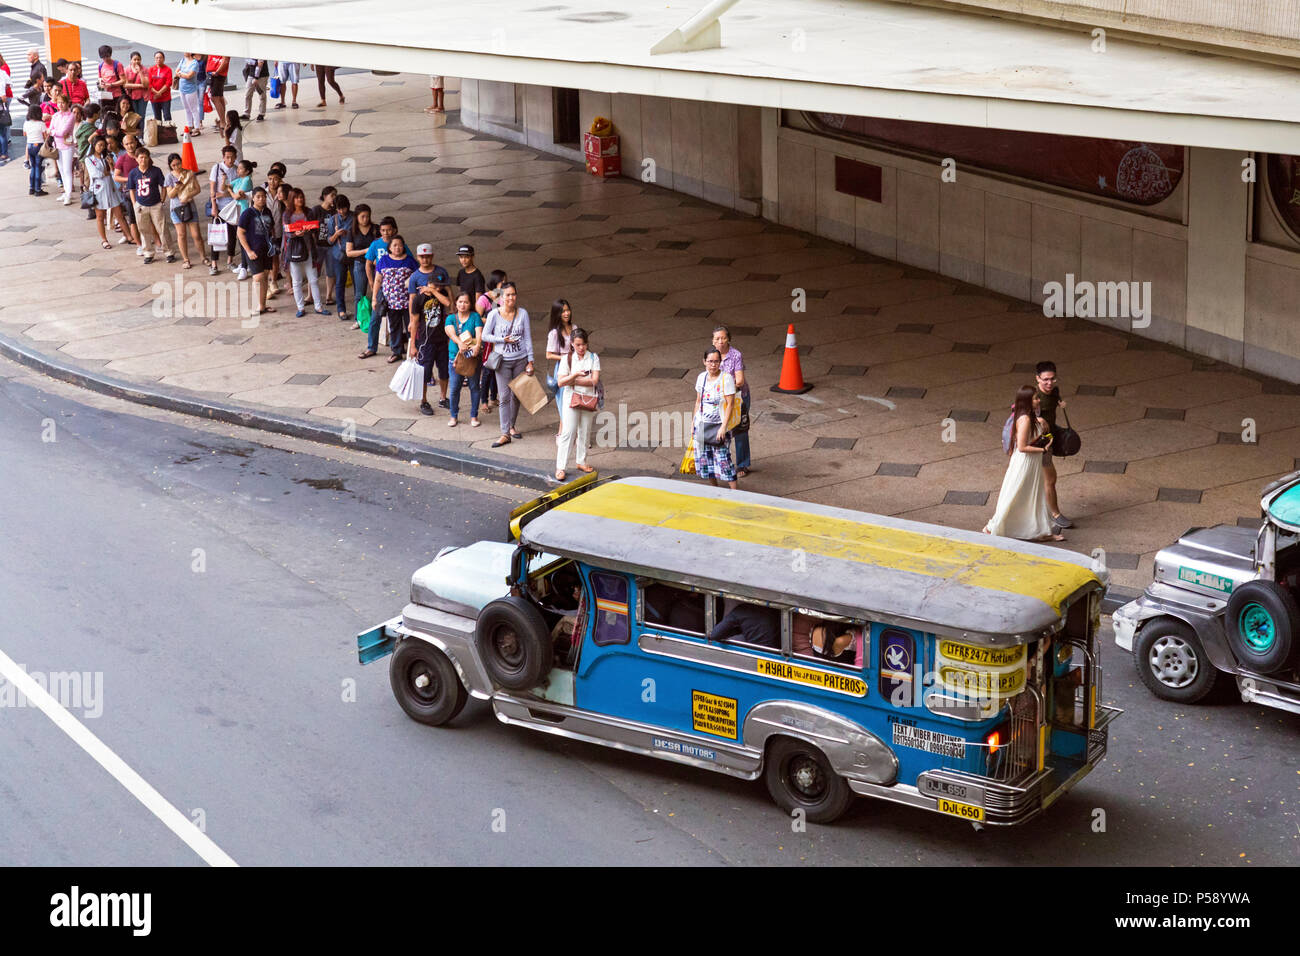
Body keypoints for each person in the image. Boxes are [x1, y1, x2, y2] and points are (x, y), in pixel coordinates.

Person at [983, 385, 1064, 542]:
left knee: (1032, 496)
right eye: (1035, 398)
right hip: (1025, 463)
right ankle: (993, 527)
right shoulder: (1025, 419)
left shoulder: (1030, 417)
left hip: (1031, 463)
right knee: (1016, 495)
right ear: (1027, 401)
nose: (1038, 400)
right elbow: (1022, 447)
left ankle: (1041, 531)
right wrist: (1044, 449)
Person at [482, 282, 535, 447]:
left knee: (517, 395)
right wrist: (501, 339)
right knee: (504, 396)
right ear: (501, 297)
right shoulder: (493, 315)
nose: (511, 297)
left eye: (513, 294)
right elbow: (484, 336)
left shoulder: (523, 313)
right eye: (507, 295)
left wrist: (530, 361)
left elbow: (527, 338)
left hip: (520, 359)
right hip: (503, 361)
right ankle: (504, 433)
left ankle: (512, 425)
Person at [554, 328, 600, 481]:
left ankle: (581, 461)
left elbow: (594, 380)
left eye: (584, 344)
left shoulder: (593, 357)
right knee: (568, 431)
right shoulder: (566, 359)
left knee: (585, 431)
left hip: (588, 398)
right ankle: (560, 467)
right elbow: (560, 382)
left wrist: (571, 380)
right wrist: (574, 376)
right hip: (571, 398)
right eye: (578, 345)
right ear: (572, 344)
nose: (582, 348)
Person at [408, 263, 452, 415]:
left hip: (441, 340)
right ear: (428, 283)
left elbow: (448, 303)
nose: (439, 288)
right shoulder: (418, 300)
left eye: (440, 286)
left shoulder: (440, 296)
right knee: (425, 374)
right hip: (425, 342)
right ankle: (424, 401)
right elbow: (414, 322)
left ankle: (443, 398)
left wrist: (433, 290)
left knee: (444, 371)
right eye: (436, 285)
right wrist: (413, 345)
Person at [693, 348, 738, 490]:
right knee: (705, 460)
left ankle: (735, 492)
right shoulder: (701, 377)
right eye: (710, 361)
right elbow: (698, 401)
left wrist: (723, 427)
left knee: (723, 459)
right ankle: (714, 489)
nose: (713, 365)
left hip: (719, 424)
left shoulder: (726, 379)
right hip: (702, 423)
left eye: (716, 361)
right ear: (704, 362)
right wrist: (694, 421)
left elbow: (730, 404)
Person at [1034, 360, 1071, 531]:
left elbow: (1056, 398)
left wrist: (1060, 403)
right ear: (1037, 379)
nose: (1049, 383)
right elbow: (1017, 411)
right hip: (1038, 443)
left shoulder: (1054, 391)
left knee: (1044, 479)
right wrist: (1038, 419)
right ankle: (1055, 514)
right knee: (1050, 479)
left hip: (1049, 438)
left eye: (1052, 379)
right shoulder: (1034, 397)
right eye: (1045, 380)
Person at [284, 188, 330, 317]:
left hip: (309, 249)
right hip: (294, 251)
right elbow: (286, 232)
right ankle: (300, 308)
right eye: (297, 197)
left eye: (301, 197)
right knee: (297, 281)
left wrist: (307, 231)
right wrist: (295, 234)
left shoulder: (308, 212)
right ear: (292, 199)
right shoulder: (287, 214)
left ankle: (318, 306)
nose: (300, 199)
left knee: (313, 279)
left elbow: (314, 228)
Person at [713, 325, 752, 478]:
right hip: (719, 399)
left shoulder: (735, 355)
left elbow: (740, 381)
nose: (720, 341)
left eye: (723, 338)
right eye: (717, 338)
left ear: (728, 339)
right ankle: (721, 462)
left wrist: (725, 390)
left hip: (738, 398)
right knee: (719, 430)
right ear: (712, 341)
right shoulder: (712, 355)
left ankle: (742, 464)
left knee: (740, 430)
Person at [126, 146, 173, 263]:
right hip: (141, 205)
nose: (143, 160)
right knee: (144, 230)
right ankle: (148, 252)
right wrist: (134, 203)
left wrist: (162, 200)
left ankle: (169, 251)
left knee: (162, 229)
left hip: (155, 204)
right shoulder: (133, 173)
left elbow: (164, 186)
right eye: (141, 158)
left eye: (146, 157)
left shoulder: (156, 171)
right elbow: (131, 189)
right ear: (136, 159)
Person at [373, 234, 417, 360]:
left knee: (411, 325)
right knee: (394, 327)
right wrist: (375, 298)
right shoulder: (384, 260)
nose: (398, 248)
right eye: (395, 245)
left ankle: (413, 351)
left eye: (400, 245)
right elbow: (378, 280)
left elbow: (417, 277)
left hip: (408, 301)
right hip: (391, 302)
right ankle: (396, 351)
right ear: (390, 248)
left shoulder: (410, 261)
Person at [444, 290, 483, 428]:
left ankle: (474, 415)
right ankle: (453, 415)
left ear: (470, 303)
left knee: (474, 387)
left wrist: (477, 345)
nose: (463, 304)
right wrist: (459, 342)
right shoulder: (451, 318)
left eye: (466, 302)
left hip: (472, 358)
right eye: (460, 302)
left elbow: (479, 332)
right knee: (454, 388)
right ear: (456, 303)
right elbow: (449, 332)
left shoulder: (475, 316)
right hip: (455, 358)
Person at [163, 152, 208, 269]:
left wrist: (188, 196)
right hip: (176, 208)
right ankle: (186, 259)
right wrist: (177, 186)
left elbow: (197, 189)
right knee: (181, 234)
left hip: (189, 206)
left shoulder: (188, 173)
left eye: (178, 164)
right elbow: (171, 195)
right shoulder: (169, 177)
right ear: (170, 166)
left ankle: (203, 257)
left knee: (196, 234)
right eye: (174, 165)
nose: (177, 167)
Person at [238, 187, 277, 316]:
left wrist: (274, 243)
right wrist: (248, 251)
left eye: (263, 196)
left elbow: (272, 229)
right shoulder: (247, 213)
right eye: (258, 196)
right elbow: (240, 233)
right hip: (253, 250)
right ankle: (260, 306)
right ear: (253, 198)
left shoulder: (267, 211)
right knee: (258, 277)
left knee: (265, 276)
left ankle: (263, 305)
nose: (261, 199)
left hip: (267, 249)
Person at [85, 136, 129, 249]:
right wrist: (105, 173)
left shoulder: (107, 157)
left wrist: (110, 167)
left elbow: (114, 173)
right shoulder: (89, 159)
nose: (101, 147)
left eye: (103, 145)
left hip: (111, 188)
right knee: (100, 216)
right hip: (98, 190)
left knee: (120, 214)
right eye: (99, 145)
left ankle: (129, 236)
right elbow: (95, 174)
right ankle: (104, 240)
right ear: (94, 145)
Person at [342, 202, 375, 330]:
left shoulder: (375, 229)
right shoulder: (352, 231)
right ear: (357, 217)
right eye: (363, 217)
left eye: (367, 216)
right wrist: (365, 251)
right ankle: (358, 319)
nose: (365, 219)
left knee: (376, 291)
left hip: (374, 264)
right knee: (359, 293)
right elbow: (349, 252)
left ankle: (376, 317)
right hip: (360, 263)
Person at [208, 144, 241, 275]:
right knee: (216, 234)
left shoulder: (237, 169)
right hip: (220, 207)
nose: (230, 160)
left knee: (232, 235)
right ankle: (214, 263)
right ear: (223, 157)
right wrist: (214, 205)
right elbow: (213, 189)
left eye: (232, 157)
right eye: (227, 157)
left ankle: (230, 260)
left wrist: (224, 194)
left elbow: (238, 190)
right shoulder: (216, 168)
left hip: (232, 207)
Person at [477, 269, 506, 411]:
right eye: (503, 282)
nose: (505, 285)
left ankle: (494, 397)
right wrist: (492, 320)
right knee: (488, 370)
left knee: (498, 368)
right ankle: (484, 401)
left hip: (499, 339)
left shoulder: (503, 298)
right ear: (496, 283)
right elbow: (477, 318)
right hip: (488, 341)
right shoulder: (484, 299)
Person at [110, 132, 144, 252]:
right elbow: (116, 176)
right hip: (129, 192)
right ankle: (139, 245)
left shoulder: (142, 155)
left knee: (147, 218)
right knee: (133, 220)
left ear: (135, 142)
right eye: (127, 144)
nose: (130, 146)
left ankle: (153, 242)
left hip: (144, 190)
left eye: (131, 143)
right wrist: (129, 179)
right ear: (123, 145)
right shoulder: (122, 159)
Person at [323, 194, 355, 321]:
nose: (342, 211)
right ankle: (341, 309)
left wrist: (349, 234)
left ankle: (359, 309)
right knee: (340, 283)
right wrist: (336, 234)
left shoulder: (354, 218)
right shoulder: (333, 220)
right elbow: (330, 240)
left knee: (357, 283)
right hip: (338, 255)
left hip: (353, 254)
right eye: (339, 209)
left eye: (344, 208)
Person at [545, 299, 574, 432]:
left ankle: (575, 433)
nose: (566, 313)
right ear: (557, 314)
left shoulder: (574, 328)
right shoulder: (554, 333)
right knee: (563, 400)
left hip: (575, 366)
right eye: (563, 311)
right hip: (562, 368)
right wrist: (565, 357)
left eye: (568, 310)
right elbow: (549, 355)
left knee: (576, 398)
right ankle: (562, 433)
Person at [709, 602, 779, 648]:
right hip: (776, 656)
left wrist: (739, 629)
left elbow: (715, 635)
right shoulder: (775, 610)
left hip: (756, 655)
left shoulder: (741, 610)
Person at [310, 186, 337, 304]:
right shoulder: (316, 210)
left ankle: (328, 295)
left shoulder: (335, 212)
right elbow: (310, 227)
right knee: (314, 271)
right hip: (318, 245)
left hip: (331, 245)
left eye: (335, 195)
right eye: (332, 195)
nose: (334, 198)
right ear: (325, 196)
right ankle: (310, 295)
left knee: (331, 271)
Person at [47, 93, 76, 204]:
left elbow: (63, 132)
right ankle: (66, 191)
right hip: (57, 146)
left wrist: (53, 132)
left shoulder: (71, 116)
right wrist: (54, 132)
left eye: (63, 102)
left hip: (67, 145)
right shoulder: (55, 116)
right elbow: (50, 129)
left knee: (68, 170)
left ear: (67, 103)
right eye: (59, 102)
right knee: (62, 170)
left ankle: (68, 194)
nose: (60, 105)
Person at [22, 105, 46, 194]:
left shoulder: (26, 123)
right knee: (38, 168)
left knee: (33, 167)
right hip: (38, 145)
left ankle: (31, 188)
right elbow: (45, 136)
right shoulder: (41, 124)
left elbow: (24, 134)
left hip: (29, 145)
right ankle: (38, 189)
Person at [176, 53, 202, 132]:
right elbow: (176, 72)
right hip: (182, 88)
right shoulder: (183, 60)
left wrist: (180, 74)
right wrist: (182, 74)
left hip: (190, 89)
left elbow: (189, 76)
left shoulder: (195, 63)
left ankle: (197, 127)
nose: (184, 52)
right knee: (187, 109)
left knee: (193, 108)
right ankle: (190, 125)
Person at [205, 55, 229, 134]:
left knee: (215, 98)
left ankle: (223, 123)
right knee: (219, 96)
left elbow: (225, 60)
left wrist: (217, 72)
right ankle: (222, 120)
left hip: (217, 74)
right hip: (214, 73)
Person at [146, 52, 172, 122]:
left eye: (160, 57)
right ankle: (159, 132)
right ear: (154, 59)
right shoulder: (151, 70)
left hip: (165, 98)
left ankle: (169, 132)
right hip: (154, 98)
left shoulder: (168, 70)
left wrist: (159, 93)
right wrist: (156, 93)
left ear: (163, 59)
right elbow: (149, 83)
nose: (159, 59)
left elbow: (168, 83)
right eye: (157, 58)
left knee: (167, 116)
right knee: (157, 118)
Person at [122, 52, 148, 116]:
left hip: (142, 97)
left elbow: (145, 84)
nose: (137, 61)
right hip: (131, 96)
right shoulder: (126, 70)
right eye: (134, 59)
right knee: (133, 115)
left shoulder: (144, 69)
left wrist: (140, 72)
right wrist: (140, 85)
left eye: (138, 59)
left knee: (141, 115)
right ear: (131, 60)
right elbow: (125, 85)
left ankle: (141, 126)